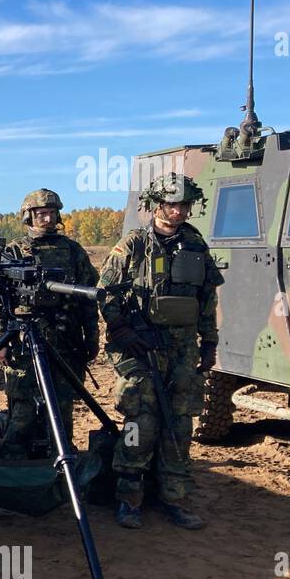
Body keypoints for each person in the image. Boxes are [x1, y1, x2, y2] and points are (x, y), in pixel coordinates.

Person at [97, 173, 223, 530]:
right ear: (157, 205)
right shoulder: (133, 245)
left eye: (184, 205)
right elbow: (105, 293)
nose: (179, 211)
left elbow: (207, 299)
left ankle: (175, 498)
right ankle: (129, 499)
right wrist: (121, 329)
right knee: (141, 422)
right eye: (172, 204)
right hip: (141, 346)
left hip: (182, 347)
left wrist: (209, 341)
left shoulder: (196, 245)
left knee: (180, 422)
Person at [0, 189, 100, 456]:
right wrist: (0, 342)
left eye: (52, 213)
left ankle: (60, 457)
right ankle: (13, 460)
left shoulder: (73, 251)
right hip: (24, 341)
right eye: (41, 214)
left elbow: (88, 298)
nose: (47, 219)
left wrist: (91, 338)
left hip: (65, 338)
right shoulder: (14, 251)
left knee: (63, 404)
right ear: (28, 217)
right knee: (23, 406)